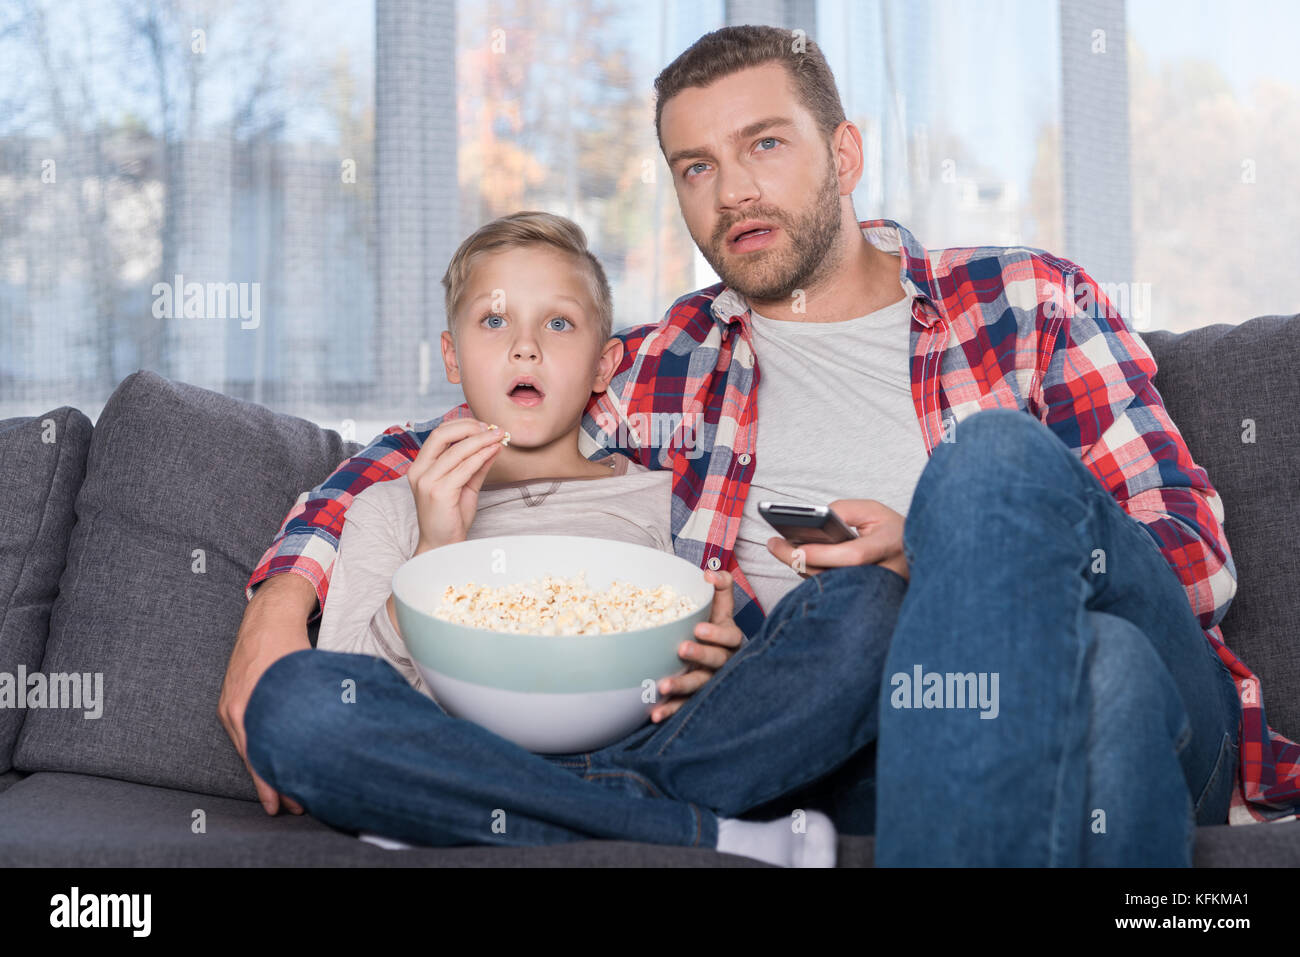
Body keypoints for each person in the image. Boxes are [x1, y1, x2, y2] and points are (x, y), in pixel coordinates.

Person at [221, 24, 1300, 867]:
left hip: (1156, 702)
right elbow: (439, 440)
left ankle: (600, 819)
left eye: (764, 146)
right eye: (694, 166)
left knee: (994, 482)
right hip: (846, 761)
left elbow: (1190, 563)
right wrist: (279, 602)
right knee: (303, 708)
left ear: (844, 153)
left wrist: (942, 559)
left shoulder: (1022, 299)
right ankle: (676, 830)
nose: (731, 188)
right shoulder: (666, 360)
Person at [243, 208, 907, 867]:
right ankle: (692, 833)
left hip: (651, 746)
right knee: (292, 702)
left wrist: (715, 664)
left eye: (558, 323)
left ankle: (468, 813)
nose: (524, 346)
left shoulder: (668, 495)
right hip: (455, 744)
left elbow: (699, 663)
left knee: (871, 598)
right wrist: (433, 556)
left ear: (602, 365)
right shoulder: (390, 506)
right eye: (493, 321)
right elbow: (358, 683)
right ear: (452, 354)